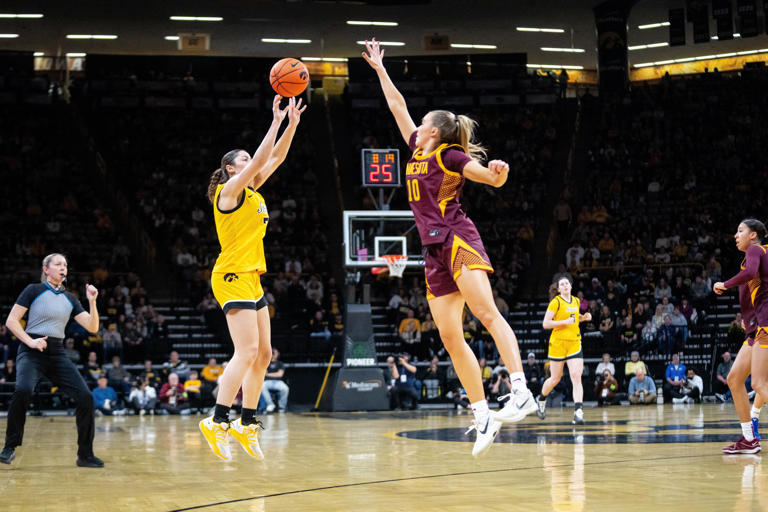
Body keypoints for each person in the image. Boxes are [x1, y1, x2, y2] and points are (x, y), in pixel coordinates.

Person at [363, 38, 536, 456]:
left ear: (435, 131)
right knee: (450, 337)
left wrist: (497, 174)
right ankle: (482, 416)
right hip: (432, 252)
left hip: (459, 240)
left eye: (423, 124)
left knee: (487, 314)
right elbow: (398, 108)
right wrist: (381, 70)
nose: (416, 127)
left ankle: (520, 390)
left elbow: (485, 176)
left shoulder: (450, 155)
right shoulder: (416, 151)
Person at [199, 95, 305, 462]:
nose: (250, 162)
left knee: (262, 355)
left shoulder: (253, 191)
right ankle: (216, 420)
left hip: (252, 279)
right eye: (242, 160)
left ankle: (246, 423)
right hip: (230, 276)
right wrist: (274, 122)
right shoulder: (228, 194)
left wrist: (291, 125)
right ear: (230, 169)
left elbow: (274, 159)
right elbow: (262, 158)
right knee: (244, 352)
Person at [1, 253, 104, 467]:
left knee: (86, 397)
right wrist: (30, 342)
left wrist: (92, 302)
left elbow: (93, 327)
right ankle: (9, 447)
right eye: (58, 264)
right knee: (23, 390)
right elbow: (11, 321)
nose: (63, 267)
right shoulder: (33, 290)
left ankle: (85, 455)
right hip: (31, 350)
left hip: (57, 353)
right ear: (46, 270)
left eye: (65, 264)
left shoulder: (71, 298)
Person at [713, 219, 768, 454]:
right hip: (755, 329)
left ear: (753, 235)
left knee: (758, 383)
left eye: (740, 231)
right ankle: (749, 440)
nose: (736, 235)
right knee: (735, 379)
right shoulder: (753, 257)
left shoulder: (757, 250)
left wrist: (724, 284)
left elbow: (750, 273)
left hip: (766, 325)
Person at [536, 277, 592, 425]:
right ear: (559, 289)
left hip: (574, 342)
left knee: (576, 376)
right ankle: (541, 399)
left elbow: (574, 318)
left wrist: (583, 318)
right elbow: (546, 323)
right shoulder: (556, 302)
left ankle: (578, 412)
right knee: (555, 379)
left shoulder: (576, 301)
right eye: (562, 284)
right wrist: (564, 322)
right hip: (558, 344)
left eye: (567, 283)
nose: (565, 285)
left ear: (571, 286)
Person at [259, 349, 290, 413]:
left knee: (285, 388)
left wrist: (268, 374)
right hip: (266, 382)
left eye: (275, 352)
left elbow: (280, 374)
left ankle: (282, 407)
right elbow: (264, 373)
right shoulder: (265, 362)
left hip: (278, 382)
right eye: (272, 352)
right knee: (261, 386)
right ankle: (270, 404)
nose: (273, 354)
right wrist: (273, 374)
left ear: (278, 354)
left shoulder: (280, 363)